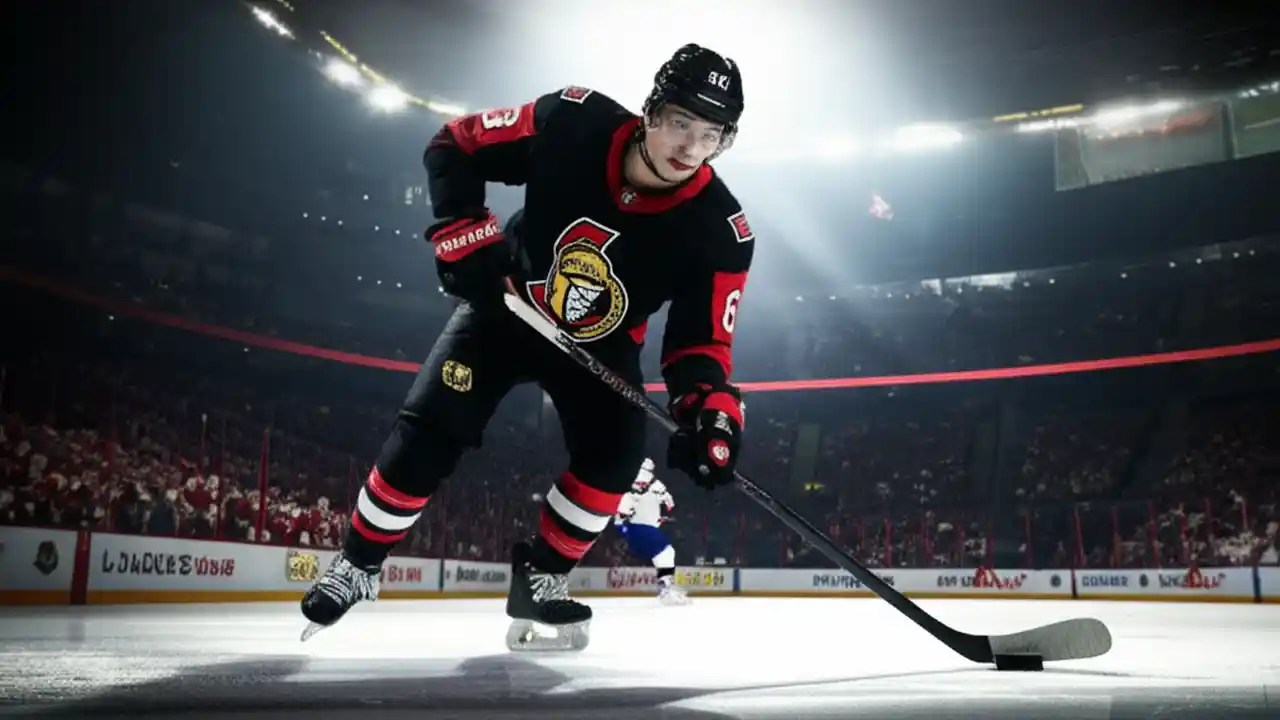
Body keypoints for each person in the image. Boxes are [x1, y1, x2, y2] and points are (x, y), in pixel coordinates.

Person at [301, 43, 753, 651]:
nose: (690, 147)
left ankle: (542, 577)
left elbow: (700, 343)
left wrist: (710, 412)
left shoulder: (722, 231)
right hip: (506, 306)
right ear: (650, 111)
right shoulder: (572, 120)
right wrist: (464, 233)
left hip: (602, 348)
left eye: (711, 134)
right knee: (431, 428)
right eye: (680, 122)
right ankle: (357, 564)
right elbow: (455, 144)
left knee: (615, 462)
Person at [614, 457, 690, 606]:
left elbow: (621, 513)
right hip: (642, 528)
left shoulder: (628, 486)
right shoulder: (656, 485)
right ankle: (666, 588)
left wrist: (623, 527)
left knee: (664, 553)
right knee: (666, 552)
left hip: (636, 529)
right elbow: (670, 504)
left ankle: (666, 586)